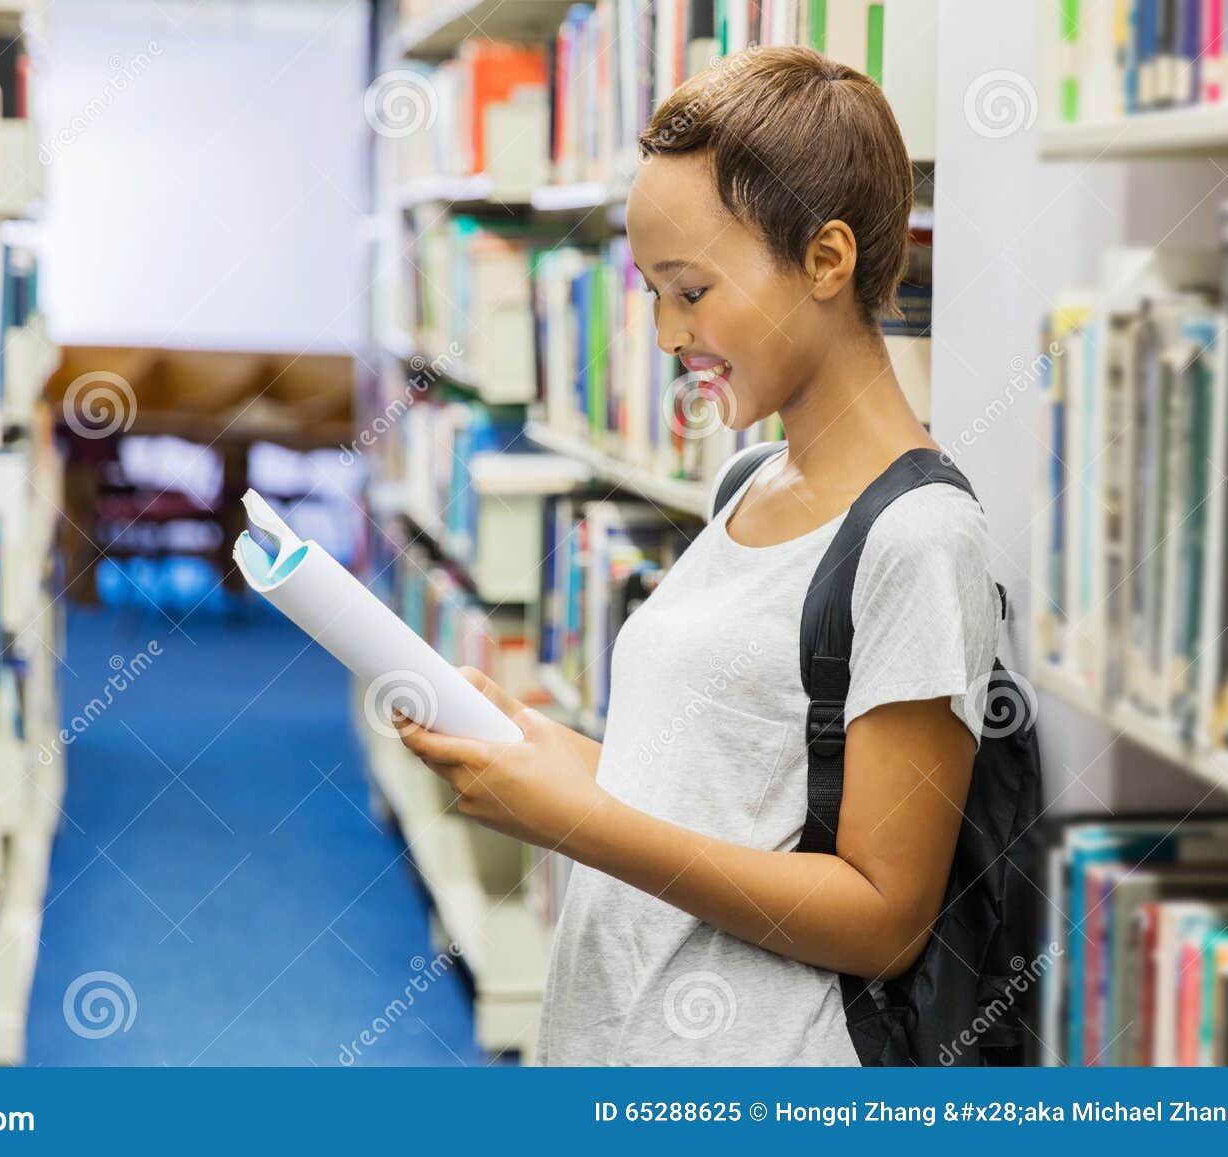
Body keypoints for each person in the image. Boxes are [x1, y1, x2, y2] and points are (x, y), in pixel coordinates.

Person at [395, 45, 1000, 1066]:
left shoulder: (917, 537)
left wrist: (577, 823)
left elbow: (883, 914)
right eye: (652, 295)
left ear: (826, 259)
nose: (669, 335)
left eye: (691, 290)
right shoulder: (745, 481)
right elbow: (717, 790)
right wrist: (539, 755)